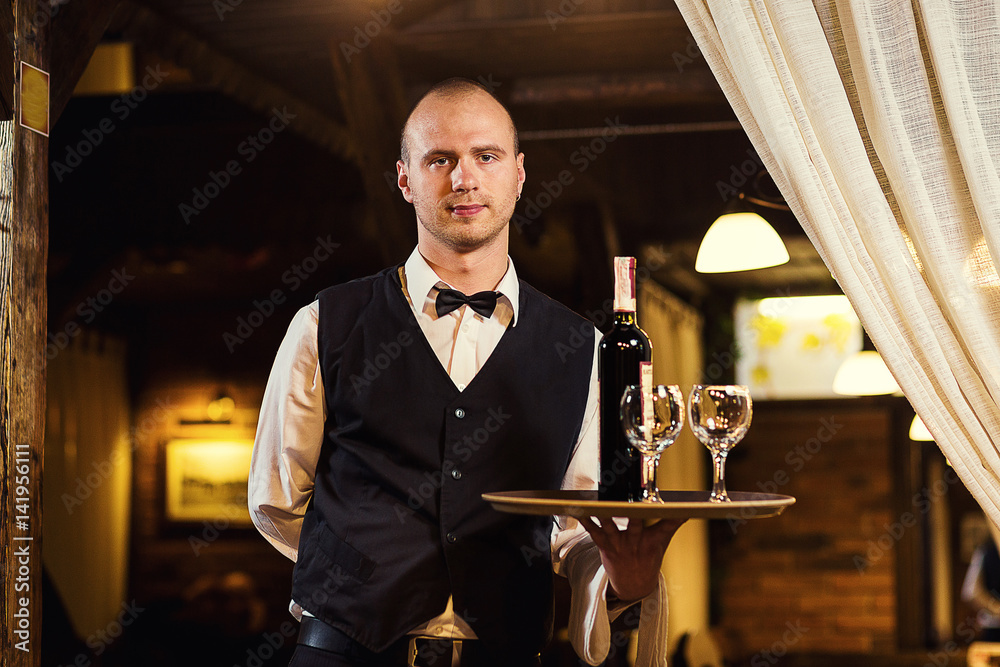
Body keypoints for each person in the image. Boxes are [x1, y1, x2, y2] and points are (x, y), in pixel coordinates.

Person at [249, 77, 683, 667]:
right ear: (405, 179)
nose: (464, 178)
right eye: (439, 159)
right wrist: (357, 581)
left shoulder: (585, 349)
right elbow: (276, 499)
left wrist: (622, 581)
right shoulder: (326, 322)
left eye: (486, 155)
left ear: (519, 173)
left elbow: (578, 527)